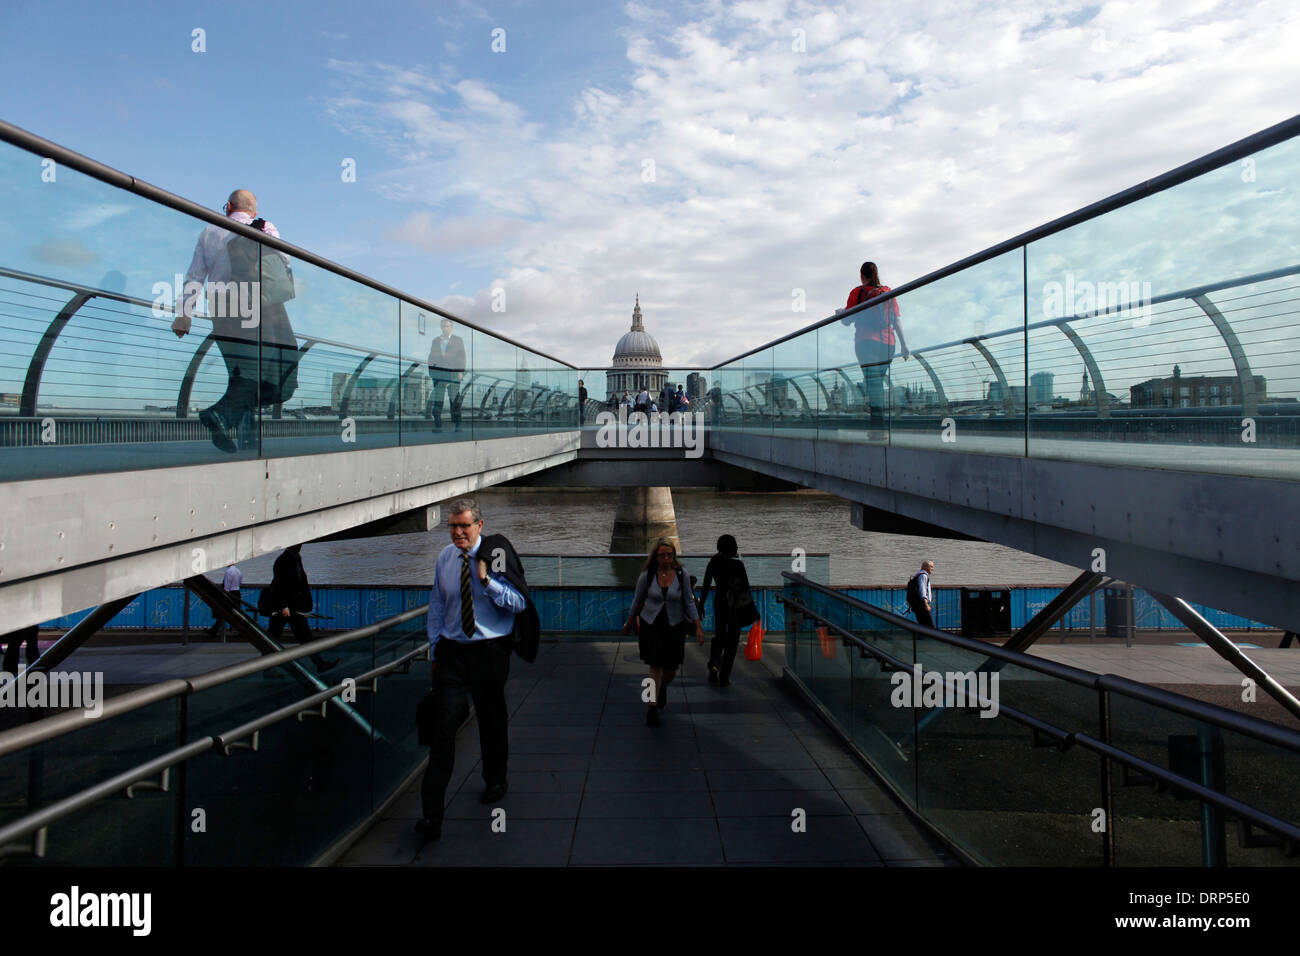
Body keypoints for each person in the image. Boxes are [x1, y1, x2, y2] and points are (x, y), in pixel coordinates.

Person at [416, 497, 529, 840]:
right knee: (443, 730)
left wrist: (488, 583)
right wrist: (435, 651)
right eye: (453, 526)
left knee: (491, 719)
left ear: (479, 526)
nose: (458, 532)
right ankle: (432, 816)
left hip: (489, 651)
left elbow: (519, 602)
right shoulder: (445, 558)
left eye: (465, 525)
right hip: (452, 653)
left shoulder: (496, 555)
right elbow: (437, 604)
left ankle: (495, 779)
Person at [173, 189, 299, 453]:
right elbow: (283, 263)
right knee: (277, 377)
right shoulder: (266, 227)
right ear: (254, 211)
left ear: (228, 206)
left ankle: (234, 429)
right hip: (261, 306)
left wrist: (184, 313)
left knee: (242, 376)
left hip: (222, 309)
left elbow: (195, 276)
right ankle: (223, 418)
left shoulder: (210, 231)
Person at [624, 539, 703, 726]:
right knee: (655, 666)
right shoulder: (647, 576)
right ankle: (651, 706)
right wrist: (629, 621)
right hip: (651, 624)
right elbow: (637, 600)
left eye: (669, 554)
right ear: (656, 556)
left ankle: (661, 689)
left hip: (675, 625)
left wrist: (698, 625)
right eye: (662, 555)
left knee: (672, 669)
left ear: (674, 556)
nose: (666, 558)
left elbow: (689, 602)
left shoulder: (682, 575)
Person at [839, 261, 910, 437]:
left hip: (866, 342)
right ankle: (879, 426)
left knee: (873, 383)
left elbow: (848, 320)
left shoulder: (857, 292)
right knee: (877, 381)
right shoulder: (888, 293)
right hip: (889, 344)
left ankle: (878, 429)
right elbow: (897, 320)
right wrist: (904, 345)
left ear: (862, 275)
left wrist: (840, 314)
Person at [262, 544, 336, 673]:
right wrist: (284, 605)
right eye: (299, 543)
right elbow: (280, 584)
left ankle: (319, 663)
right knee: (288, 637)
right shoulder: (284, 560)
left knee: (281, 637)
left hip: (292, 606)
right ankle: (319, 664)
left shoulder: (294, 558)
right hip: (285, 607)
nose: (301, 545)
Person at [697, 535, 754, 688]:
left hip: (720, 604)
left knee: (719, 635)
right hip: (735, 606)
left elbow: (706, 585)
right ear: (732, 548)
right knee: (733, 641)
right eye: (735, 545)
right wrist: (750, 610)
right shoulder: (738, 565)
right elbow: (745, 589)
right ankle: (725, 675)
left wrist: (701, 605)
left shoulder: (713, 563)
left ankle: (714, 664)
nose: (737, 548)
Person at [427, 318, 467, 431]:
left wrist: (460, 371)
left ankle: (458, 424)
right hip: (439, 375)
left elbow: (462, 356)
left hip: (453, 375)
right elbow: (431, 358)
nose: (445, 328)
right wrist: (432, 373)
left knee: (454, 400)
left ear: (451, 327)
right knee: (438, 400)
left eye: (448, 326)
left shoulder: (458, 340)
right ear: (441, 327)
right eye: (444, 326)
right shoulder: (435, 341)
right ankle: (437, 424)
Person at [206, 564, 243, 639]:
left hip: (230, 594)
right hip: (237, 593)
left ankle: (214, 630)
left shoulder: (228, 572)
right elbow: (240, 583)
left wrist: (224, 596)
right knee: (236, 614)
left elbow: (226, 587)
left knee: (223, 613)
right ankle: (213, 630)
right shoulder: (239, 571)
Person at [907, 560, 935, 629]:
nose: (932, 569)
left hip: (917, 603)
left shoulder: (918, 574)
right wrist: (926, 604)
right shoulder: (923, 576)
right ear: (925, 567)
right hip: (921, 604)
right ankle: (930, 638)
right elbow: (922, 590)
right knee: (928, 624)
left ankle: (922, 637)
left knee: (922, 623)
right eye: (931, 567)